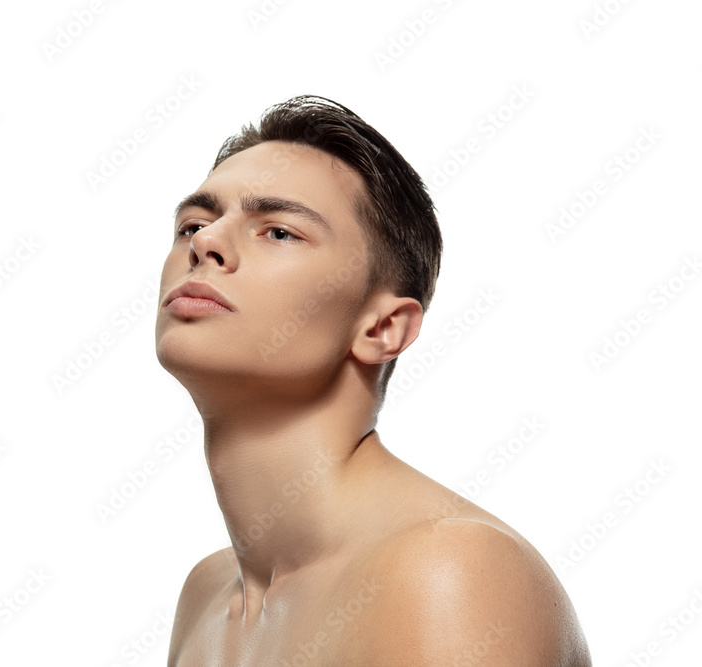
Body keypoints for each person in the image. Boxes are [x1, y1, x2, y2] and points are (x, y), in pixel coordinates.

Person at [154, 95, 591, 665]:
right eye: (194, 222)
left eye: (280, 232)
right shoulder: (207, 597)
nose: (205, 243)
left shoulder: (448, 574)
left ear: (383, 327)